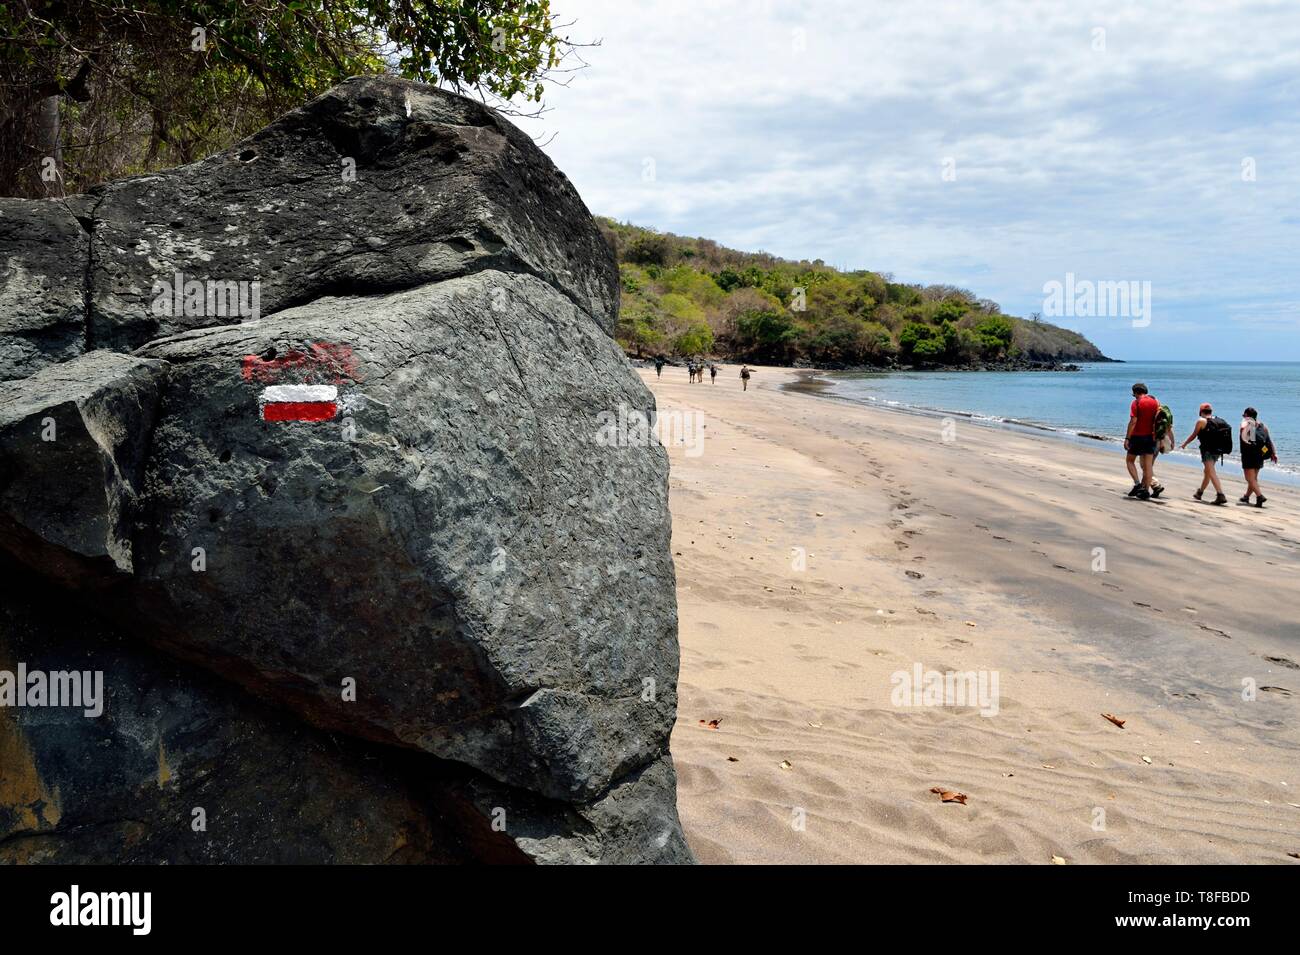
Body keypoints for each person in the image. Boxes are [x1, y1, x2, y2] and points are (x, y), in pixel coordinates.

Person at [1180, 403, 1229, 505]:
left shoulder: (1201, 421)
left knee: (1211, 472)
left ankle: (1220, 494)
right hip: (1218, 450)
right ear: (1211, 411)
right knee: (1207, 471)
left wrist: (1185, 443)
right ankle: (1200, 492)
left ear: (1201, 411)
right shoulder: (1218, 420)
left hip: (1207, 450)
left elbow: (1194, 434)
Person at [1124, 382, 1160, 500]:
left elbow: (1133, 421)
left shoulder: (1136, 402)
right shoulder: (1156, 402)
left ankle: (1137, 484)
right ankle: (1145, 490)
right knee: (1148, 465)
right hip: (1151, 437)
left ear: (1135, 392)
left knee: (1130, 461)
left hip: (1137, 436)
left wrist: (1127, 438)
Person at [1239, 407, 1278, 507]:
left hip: (1249, 455)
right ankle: (1246, 497)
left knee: (1250, 479)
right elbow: (1269, 441)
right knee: (1254, 479)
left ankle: (1259, 496)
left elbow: (1250, 442)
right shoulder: (1263, 426)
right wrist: (1273, 453)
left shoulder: (1247, 425)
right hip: (1260, 455)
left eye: (1244, 415)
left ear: (1247, 416)